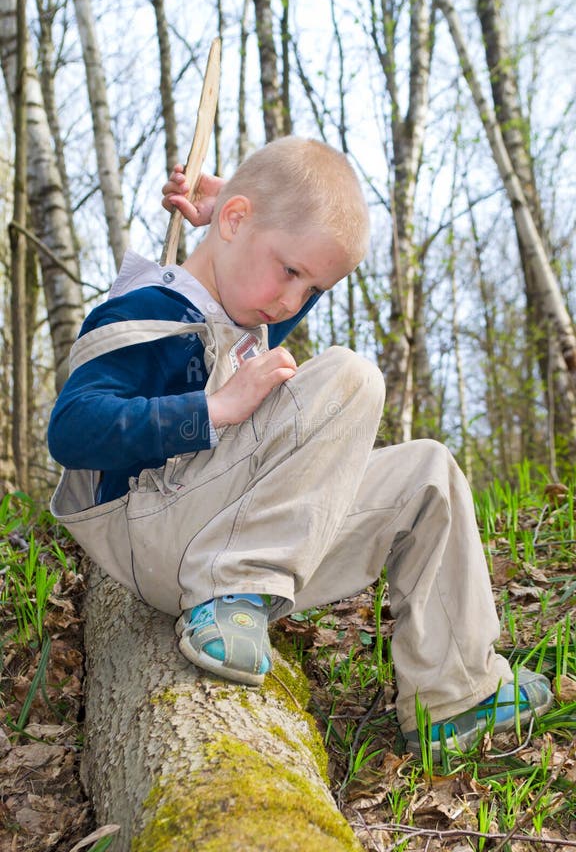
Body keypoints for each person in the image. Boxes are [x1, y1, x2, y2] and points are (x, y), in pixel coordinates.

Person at [48, 136, 552, 759]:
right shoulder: (151, 308)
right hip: (158, 537)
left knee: (427, 470)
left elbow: (286, 266)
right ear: (236, 222)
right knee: (350, 376)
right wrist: (214, 409)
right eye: (289, 273)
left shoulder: (244, 304)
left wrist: (233, 214)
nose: (292, 301)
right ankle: (233, 595)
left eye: (310, 289)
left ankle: (453, 695)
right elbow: (70, 427)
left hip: (217, 529)